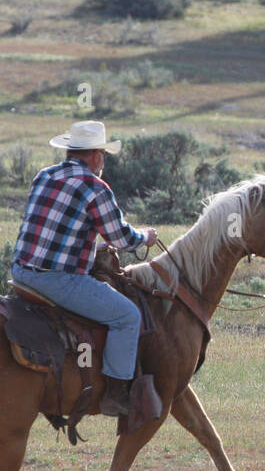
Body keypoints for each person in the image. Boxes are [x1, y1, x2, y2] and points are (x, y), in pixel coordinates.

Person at [11, 121, 158, 416]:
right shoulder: (95, 187)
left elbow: (56, 228)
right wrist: (147, 237)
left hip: (21, 272)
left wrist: (92, 248)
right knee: (128, 316)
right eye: (102, 155)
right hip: (58, 280)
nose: (102, 161)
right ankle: (115, 396)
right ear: (96, 156)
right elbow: (122, 238)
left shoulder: (45, 176)